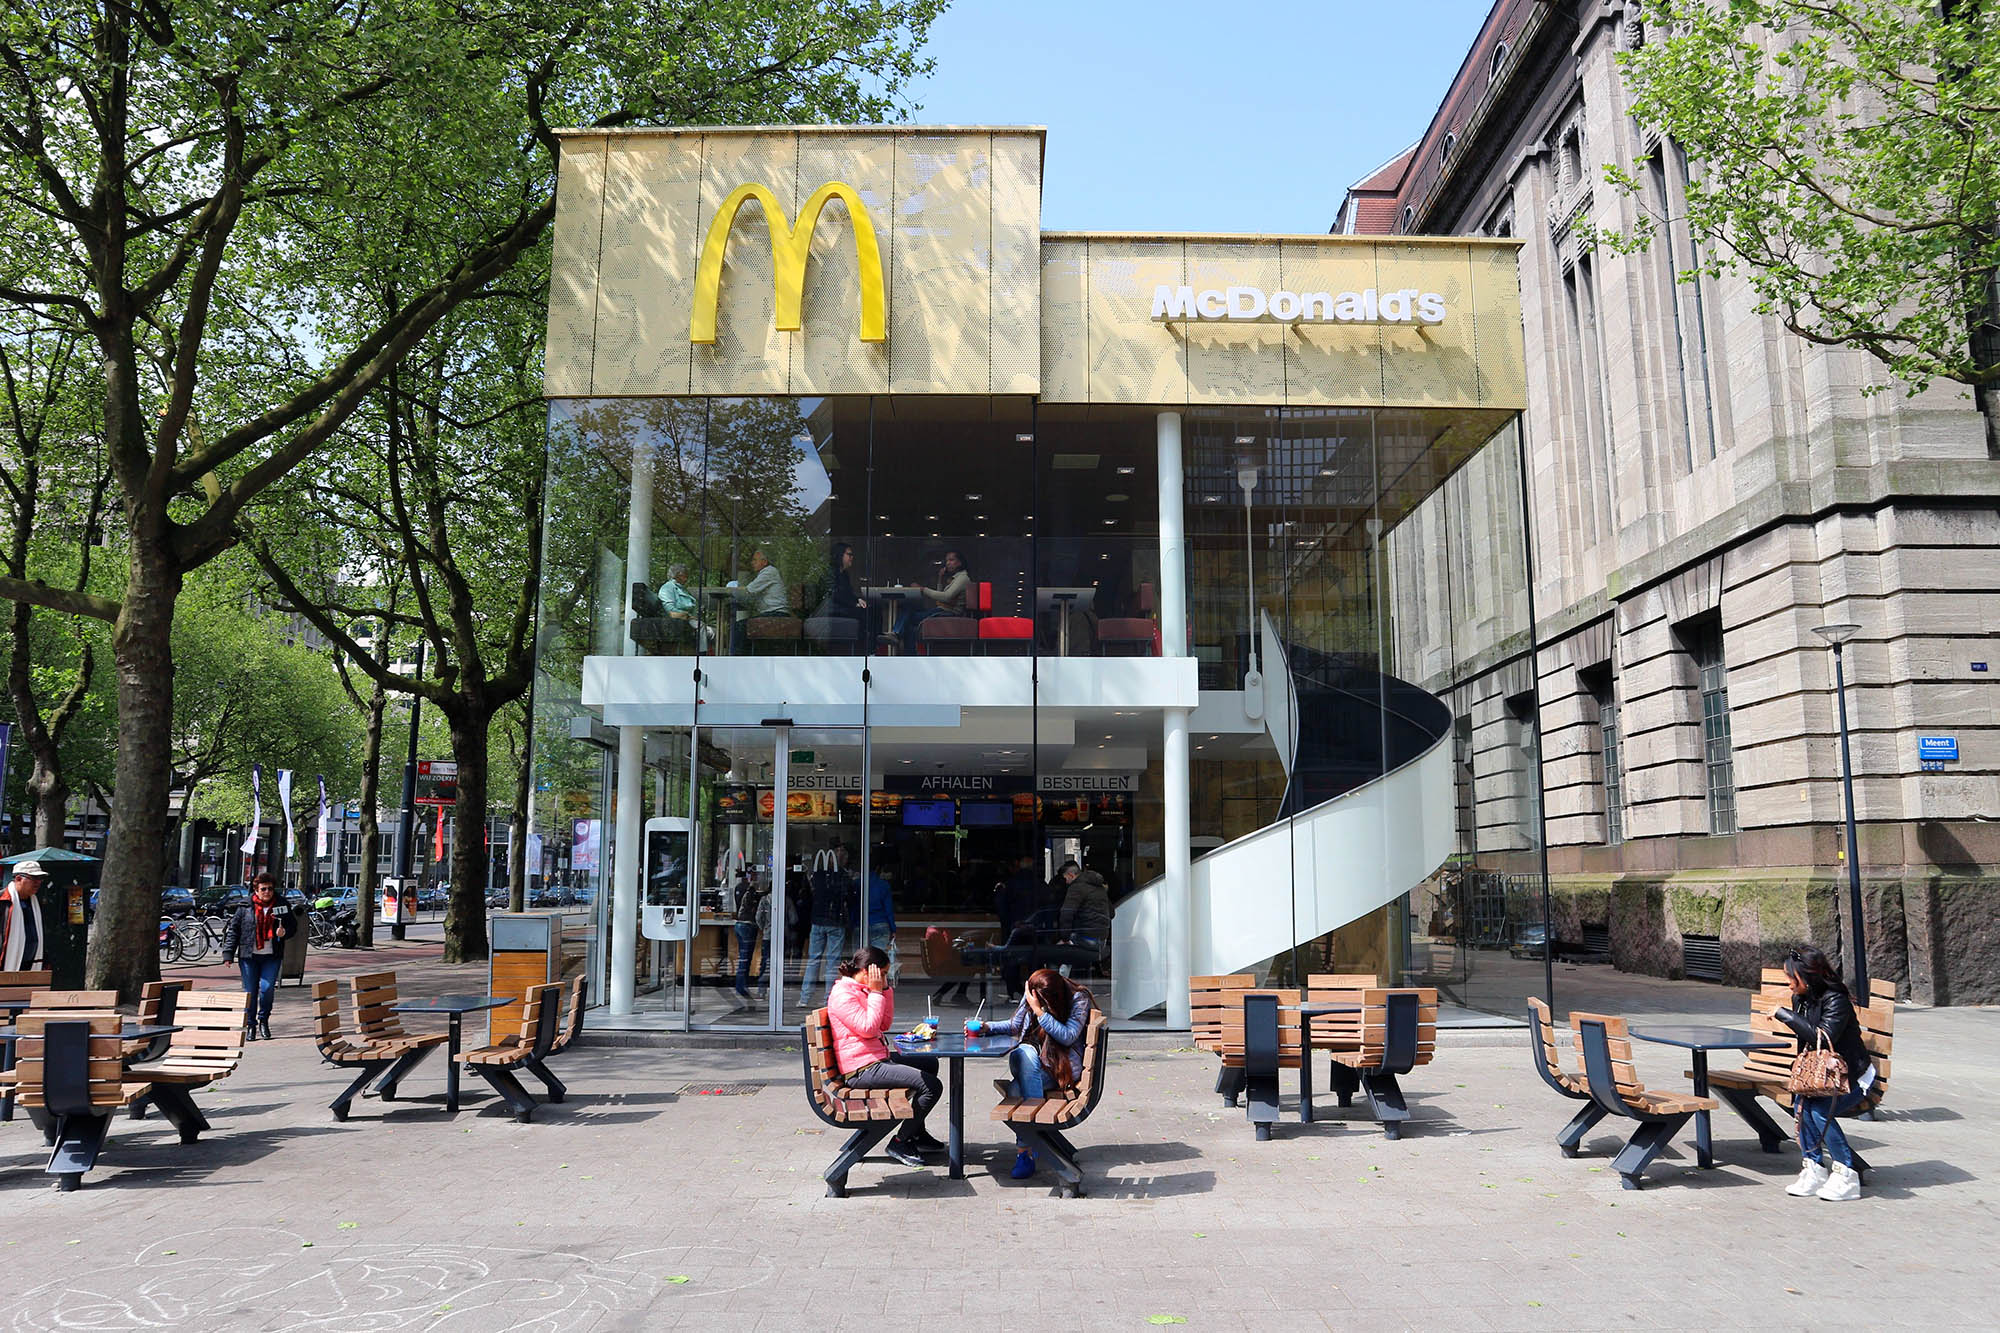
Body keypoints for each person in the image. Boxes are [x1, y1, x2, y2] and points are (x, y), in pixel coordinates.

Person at [968, 967, 1094, 1178]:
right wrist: (986, 1027)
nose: (1039, 1004)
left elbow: (1068, 1036)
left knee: (1017, 1089)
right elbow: (1015, 1025)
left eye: (1045, 1003)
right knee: (1026, 1052)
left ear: (1055, 997)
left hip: (1056, 1071)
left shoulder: (1077, 998)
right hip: (1028, 1061)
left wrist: (1038, 1010)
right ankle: (1036, 1134)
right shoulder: (1032, 992)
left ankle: (1024, 1152)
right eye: (1038, 1002)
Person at [826, 945, 944, 1168]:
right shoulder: (843, 995)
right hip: (860, 1070)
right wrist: (877, 992)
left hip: (874, 1060)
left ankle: (916, 1132)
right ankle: (900, 1142)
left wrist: (885, 990)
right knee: (931, 1086)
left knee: (928, 1062)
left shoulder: (861, 990)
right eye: (882, 974)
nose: (883, 979)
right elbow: (869, 1028)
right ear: (867, 972)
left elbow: (884, 1023)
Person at [1775, 945, 1877, 1201]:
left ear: (1807, 977)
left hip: (1854, 1077)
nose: (1788, 984)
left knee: (1820, 1110)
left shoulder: (1836, 1000)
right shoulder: (1801, 998)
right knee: (1802, 1103)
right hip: (1824, 1076)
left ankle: (1846, 1173)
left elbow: (1823, 1037)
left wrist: (1786, 1017)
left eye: (1791, 978)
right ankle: (1814, 1169)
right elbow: (1807, 1048)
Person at [220, 873, 297, 1040]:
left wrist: (285, 932)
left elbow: (292, 926)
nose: (267, 892)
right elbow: (234, 930)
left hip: (271, 955)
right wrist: (228, 954)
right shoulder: (245, 906)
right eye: (263, 889)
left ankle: (264, 1020)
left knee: (267, 989)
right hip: (249, 956)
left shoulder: (282, 905)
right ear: (256, 890)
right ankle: (251, 1025)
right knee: (250, 991)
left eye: (270, 888)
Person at [799, 846, 856, 1006]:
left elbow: (808, 895)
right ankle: (828, 999)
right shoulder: (843, 877)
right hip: (835, 921)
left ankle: (804, 998)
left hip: (817, 920)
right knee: (832, 961)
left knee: (813, 960)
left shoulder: (817, 876)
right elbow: (850, 897)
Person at [896, 548, 971, 652]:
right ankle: (909, 653)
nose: (948, 563)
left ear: (960, 562)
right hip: (942, 610)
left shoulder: (962, 578)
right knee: (910, 618)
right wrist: (940, 579)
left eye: (951, 560)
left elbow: (946, 597)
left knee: (910, 615)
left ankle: (896, 633)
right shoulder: (955, 578)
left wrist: (922, 589)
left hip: (949, 613)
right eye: (947, 561)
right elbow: (941, 598)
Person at [730, 547, 790, 653]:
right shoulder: (766, 573)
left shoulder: (769, 572)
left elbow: (749, 590)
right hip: (774, 613)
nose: (752, 563)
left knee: (739, 626)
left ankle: (738, 660)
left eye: (754, 560)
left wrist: (733, 588)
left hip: (776, 614)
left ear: (764, 562)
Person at [818, 542, 870, 650]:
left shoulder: (844, 574)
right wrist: (854, 604)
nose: (852, 557)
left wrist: (858, 599)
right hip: (832, 610)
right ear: (840, 555)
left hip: (841, 607)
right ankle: (863, 650)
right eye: (849, 554)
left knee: (872, 610)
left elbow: (848, 593)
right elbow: (834, 594)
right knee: (864, 613)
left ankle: (872, 648)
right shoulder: (829, 572)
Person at [0, 860, 49, 971]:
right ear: (18, 879)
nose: (38, 882)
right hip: (6, 964)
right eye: (34, 878)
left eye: (40, 879)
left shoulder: (37, 903)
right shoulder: (3, 901)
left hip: (31, 965)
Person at [731, 872, 768, 1008]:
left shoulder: (739, 887)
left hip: (739, 924)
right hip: (748, 925)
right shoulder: (754, 894)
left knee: (743, 957)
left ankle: (741, 985)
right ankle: (741, 986)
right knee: (746, 957)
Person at [866, 859, 899, 985]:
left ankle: (863, 987)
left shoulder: (857, 883)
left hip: (861, 924)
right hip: (880, 923)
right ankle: (877, 987)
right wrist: (892, 928)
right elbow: (888, 909)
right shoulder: (883, 885)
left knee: (861, 960)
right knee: (878, 960)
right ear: (878, 869)